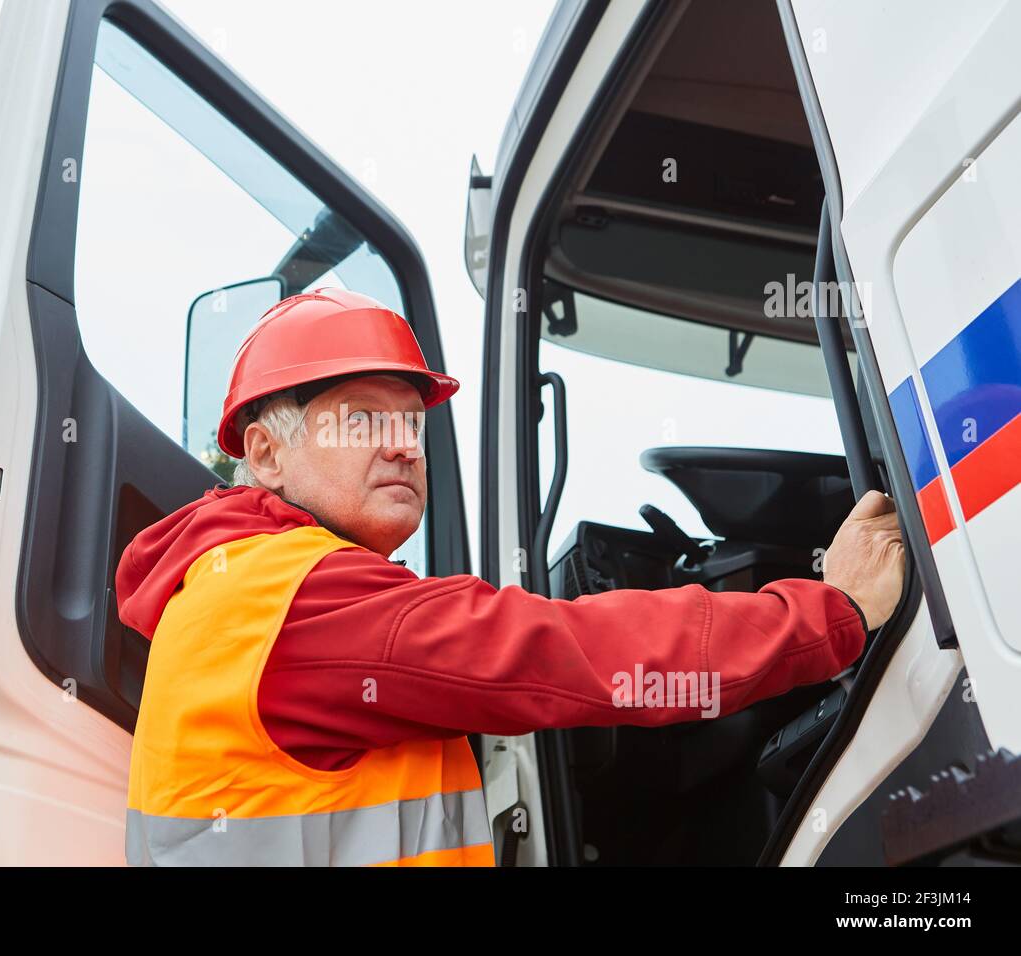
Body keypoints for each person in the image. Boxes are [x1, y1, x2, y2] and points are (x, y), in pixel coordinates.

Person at [116, 288, 905, 866]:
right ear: (265, 455)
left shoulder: (233, 590)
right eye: (363, 418)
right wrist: (829, 612)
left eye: (412, 424)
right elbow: (558, 648)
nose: (402, 447)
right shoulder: (287, 600)